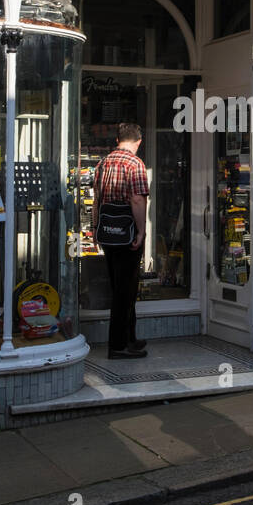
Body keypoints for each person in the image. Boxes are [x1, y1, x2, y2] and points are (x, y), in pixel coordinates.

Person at [93, 123, 149, 360]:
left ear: (118, 140)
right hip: (127, 234)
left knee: (120, 286)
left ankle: (130, 338)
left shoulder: (103, 163)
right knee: (125, 290)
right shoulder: (135, 164)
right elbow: (137, 200)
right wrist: (141, 230)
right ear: (138, 142)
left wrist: (96, 229)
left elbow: (96, 199)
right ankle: (118, 345)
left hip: (107, 232)